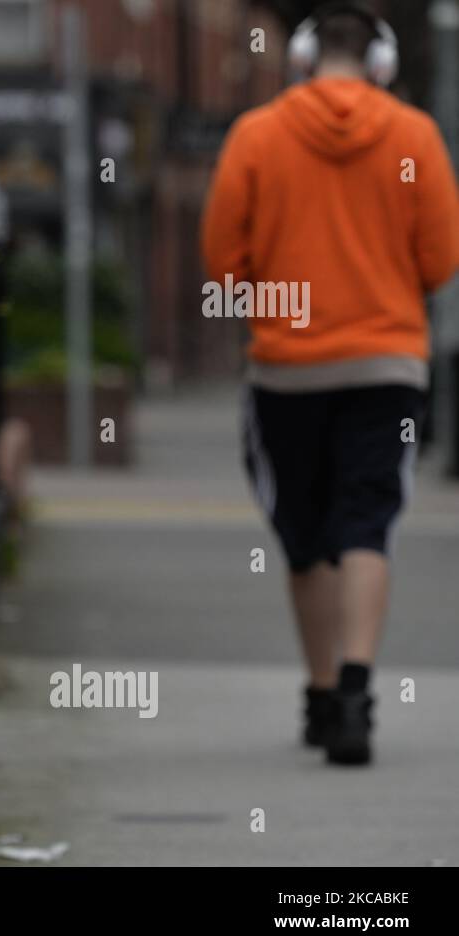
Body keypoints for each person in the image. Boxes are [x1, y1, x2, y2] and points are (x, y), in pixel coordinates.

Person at [201, 1, 459, 765]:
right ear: (379, 62)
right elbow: (441, 261)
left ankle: (317, 697)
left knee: (305, 535)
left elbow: (222, 262)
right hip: (386, 365)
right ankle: (356, 692)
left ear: (305, 57)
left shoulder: (256, 135)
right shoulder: (415, 136)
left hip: (287, 370)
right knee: (367, 522)